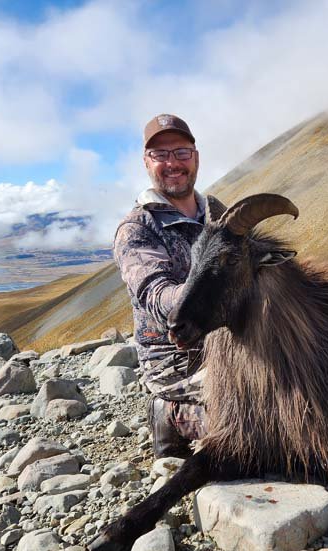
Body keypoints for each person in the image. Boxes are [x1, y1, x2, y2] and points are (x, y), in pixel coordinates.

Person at [113, 114, 225, 458]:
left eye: (181, 152)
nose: (172, 163)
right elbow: (155, 293)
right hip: (179, 365)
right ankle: (168, 413)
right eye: (160, 155)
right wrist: (206, 300)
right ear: (147, 162)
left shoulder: (220, 214)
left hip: (236, 344)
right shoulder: (136, 228)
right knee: (257, 432)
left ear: (195, 156)